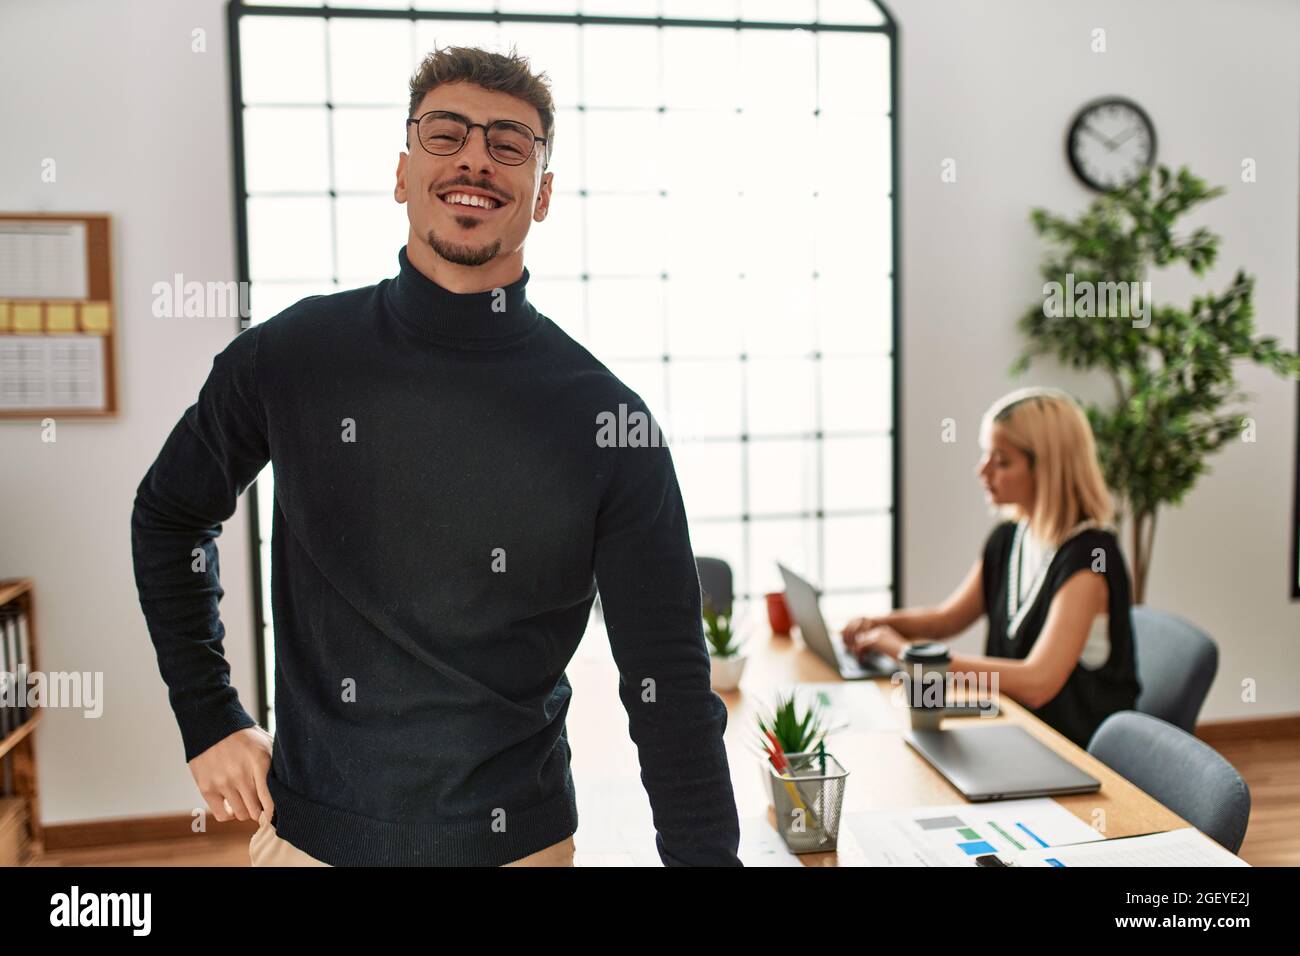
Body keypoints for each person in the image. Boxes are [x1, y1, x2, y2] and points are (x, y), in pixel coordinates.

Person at [131, 45, 741, 867]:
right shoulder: (294, 357)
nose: (476, 160)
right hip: (313, 843)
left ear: (544, 192)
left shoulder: (607, 420)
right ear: (403, 172)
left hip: (516, 849)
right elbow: (170, 515)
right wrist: (207, 715)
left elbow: (666, 680)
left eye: (510, 144)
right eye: (446, 133)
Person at [841, 387, 1141, 749]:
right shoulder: (1010, 537)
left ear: (1046, 468)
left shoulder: (1090, 558)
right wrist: (879, 624)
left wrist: (908, 656)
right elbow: (946, 618)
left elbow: (1037, 683)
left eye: (1001, 461)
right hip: (1014, 732)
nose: (982, 470)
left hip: (1070, 751)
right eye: (986, 455)